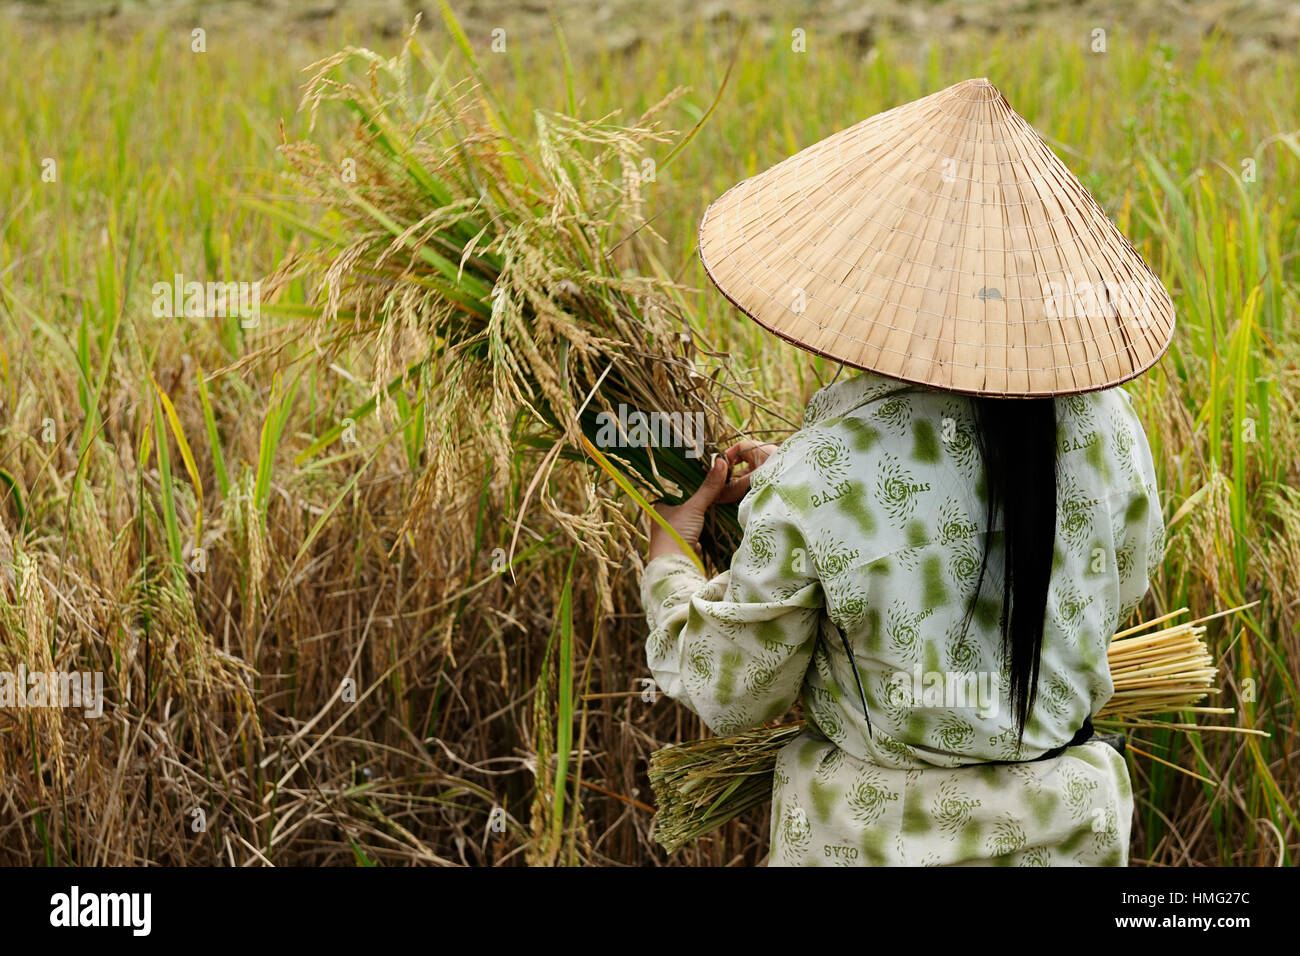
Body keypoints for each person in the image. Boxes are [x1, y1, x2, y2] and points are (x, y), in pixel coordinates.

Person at [638, 78, 1175, 866]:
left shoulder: (829, 470)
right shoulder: (1111, 429)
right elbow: (1118, 586)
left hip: (878, 840)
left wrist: (668, 564)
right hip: (1071, 834)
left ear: (883, 285)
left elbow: (734, 686)